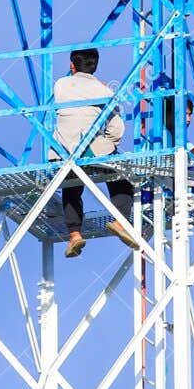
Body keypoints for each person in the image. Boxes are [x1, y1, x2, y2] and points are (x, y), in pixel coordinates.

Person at [53, 47, 139, 259]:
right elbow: (116, 128)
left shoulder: (60, 84)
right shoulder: (105, 91)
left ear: (72, 65)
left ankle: (74, 235)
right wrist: (109, 144)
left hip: (61, 151)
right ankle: (120, 220)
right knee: (121, 178)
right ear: (96, 66)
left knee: (71, 187)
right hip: (92, 150)